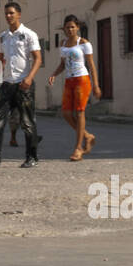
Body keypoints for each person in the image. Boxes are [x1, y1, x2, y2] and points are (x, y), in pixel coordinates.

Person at [0, 2, 43, 168]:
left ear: (19, 14)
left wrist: (29, 78)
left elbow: (38, 58)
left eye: (11, 13)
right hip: (7, 84)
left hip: (24, 84)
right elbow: (0, 60)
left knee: (27, 122)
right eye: (6, 14)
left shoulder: (29, 34)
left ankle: (32, 157)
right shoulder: (4, 37)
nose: (8, 16)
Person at [47, 14, 101, 161]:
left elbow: (91, 65)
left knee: (79, 112)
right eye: (67, 27)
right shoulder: (63, 44)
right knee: (66, 113)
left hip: (82, 80)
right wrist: (54, 74)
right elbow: (63, 64)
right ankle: (87, 136)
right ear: (64, 29)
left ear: (77, 27)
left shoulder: (83, 43)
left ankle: (78, 148)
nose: (70, 29)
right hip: (69, 80)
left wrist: (95, 85)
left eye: (72, 27)